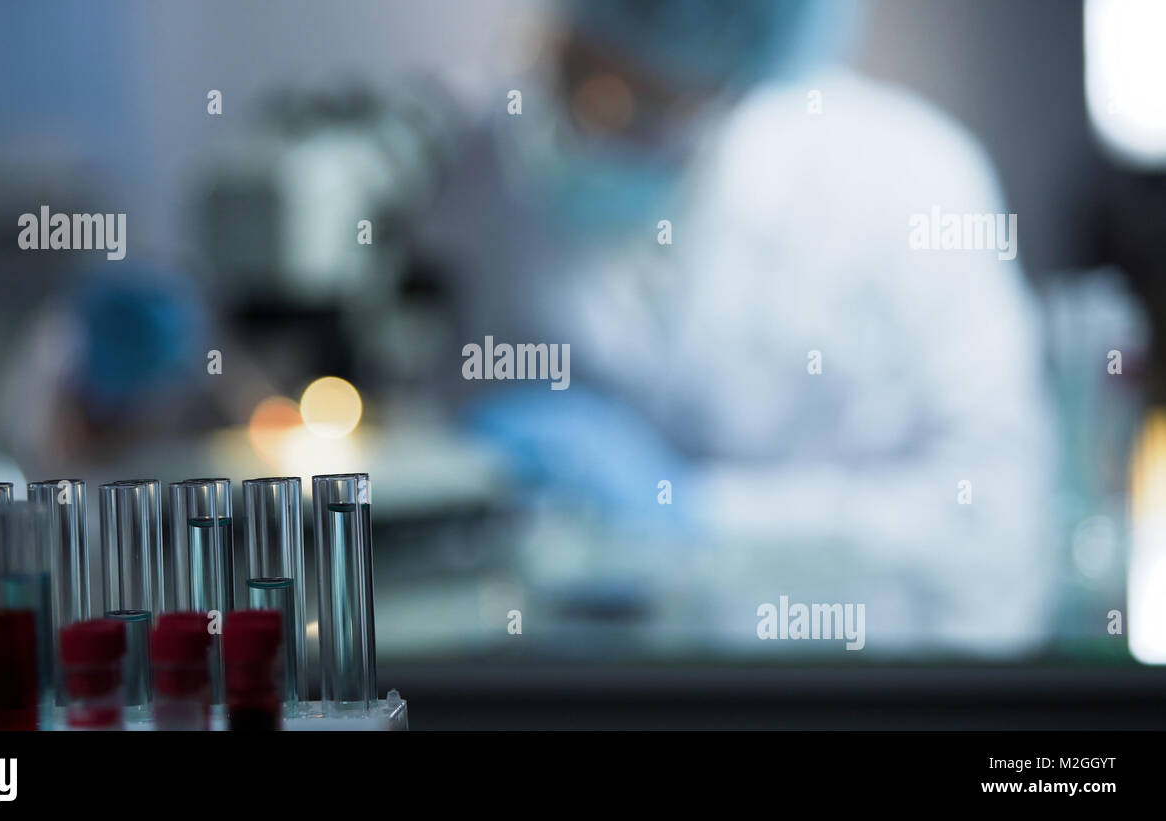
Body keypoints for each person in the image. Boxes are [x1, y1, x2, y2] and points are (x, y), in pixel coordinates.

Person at [424, 0, 1057, 654]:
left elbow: (992, 516)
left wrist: (705, 514)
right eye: (570, 69)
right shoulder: (476, 156)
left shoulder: (909, 183)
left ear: (723, 82)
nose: (587, 119)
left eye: (634, 97)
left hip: (854, 673)